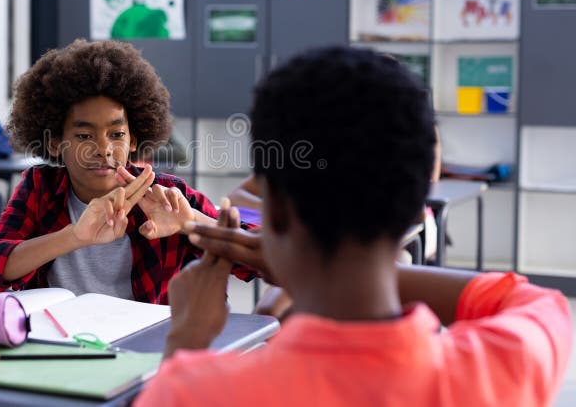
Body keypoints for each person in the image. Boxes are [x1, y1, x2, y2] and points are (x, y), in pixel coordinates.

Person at [135, 46, 572, 406]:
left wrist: (187, 339)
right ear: (416, 208)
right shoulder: (506, 366)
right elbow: (531, 300)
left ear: (279, 211)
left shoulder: (198, 392)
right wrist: (353, 268)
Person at [0, 39, 254, 303]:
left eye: (116, 134)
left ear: (135, 139)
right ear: (55, 142)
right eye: (84, 136)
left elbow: (262, 262)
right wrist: (73, 236)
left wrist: (191, 222)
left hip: (146, 347)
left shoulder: (167, 197)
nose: (103, 148)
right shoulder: (40, 188)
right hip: (58, 343)